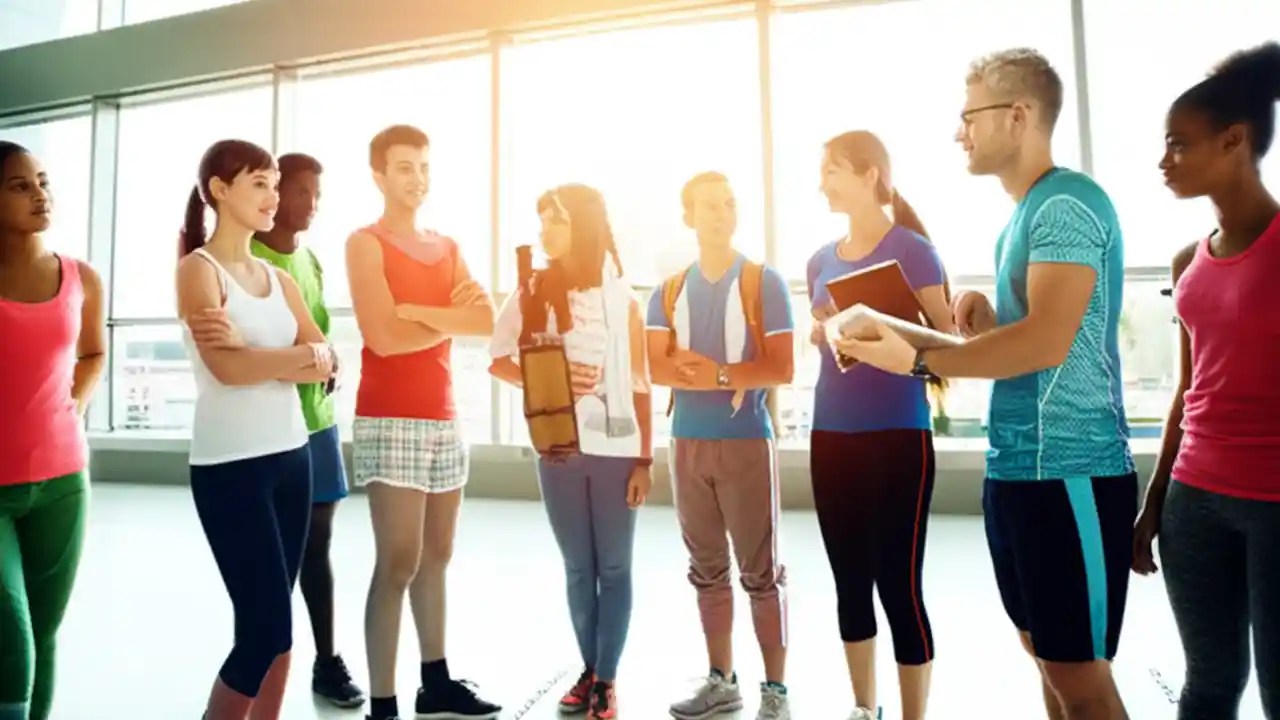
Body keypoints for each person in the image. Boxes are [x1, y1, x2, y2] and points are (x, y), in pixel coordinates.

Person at [837, 49, 1136, 720]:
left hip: (1071, 472)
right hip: (1019, 473)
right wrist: (969, 322)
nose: (959, 132)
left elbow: (1045, 342)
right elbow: (1042, 341)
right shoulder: (1024, 217)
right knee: (1051, 664)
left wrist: (918, 360)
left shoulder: (1066, 204)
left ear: (1018, 116)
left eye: (970, 116)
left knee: (1081, 680)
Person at [1133, 42, 1280, 719]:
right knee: (1209, 684)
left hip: (1274, 502)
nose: (1165, 161)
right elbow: (1190, 390)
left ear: (1234, 140)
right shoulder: (1187, 261)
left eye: (1178, 144)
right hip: (1195, 500)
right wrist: (1155, 499)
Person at [175, 139, 336, 720]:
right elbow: (228, 370)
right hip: (230, 468)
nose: (273, 195)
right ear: (220, 190)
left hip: (293, 457)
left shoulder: (278, 278)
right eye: (259, 184)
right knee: (263, 626)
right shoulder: (199, 271)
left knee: (279, 626)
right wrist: (294, 359)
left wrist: (256, 352)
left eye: (274, 183)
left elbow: (326, 362)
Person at [346, 124, 499, 720]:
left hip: (443, 417)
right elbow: (383, 336)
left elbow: (485, 320)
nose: (417, 178)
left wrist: (416, 311)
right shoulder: (365, 243)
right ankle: (383, 706)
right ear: (379, 176)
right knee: (398, 562)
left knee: (437, 554)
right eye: (405, 167)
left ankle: (435, 684)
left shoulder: (448, 246)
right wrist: (445, 317)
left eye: (424, 167)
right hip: (390, 418)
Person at [490, 183, 653, 720]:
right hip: (557, 445)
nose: (545, 232)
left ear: (582, 225)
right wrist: (551, 385)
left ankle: (607, 679)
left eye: (555, 220)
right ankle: (590, 670)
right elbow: (498, 358)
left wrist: (645, 460)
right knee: (579, 568)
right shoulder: (532, 291)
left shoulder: (622, 299)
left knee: (615, 567)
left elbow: (641, 384)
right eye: (541, 221)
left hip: (617, 448)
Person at [805, 133, 953, 720]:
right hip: (831, 434)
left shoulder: (914, 252)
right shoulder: (819, 261)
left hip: (899, 435)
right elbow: (824, 331)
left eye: (833, 170)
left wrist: (889, 333)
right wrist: (823, 331)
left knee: (899, 585)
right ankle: (864, 709)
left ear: (870, 175)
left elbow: (949, 345)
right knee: (850, 582)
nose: (823, 182)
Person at [645, 172, 794, 720]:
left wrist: (716, 374)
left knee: (761, 572)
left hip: (746, 443)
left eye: (729, 203)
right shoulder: (668, 291)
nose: (721, 213)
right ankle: (721, 681)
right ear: (689, 216)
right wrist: (723, 373)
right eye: (709, 205)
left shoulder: (763, 282)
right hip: (687, 443)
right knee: (706, 568)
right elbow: (656, 366)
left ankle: (775, 691)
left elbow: (781, 367)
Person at [250, 152, 364, 708]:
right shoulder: (249, 262)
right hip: (270, 429)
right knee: (270, 562)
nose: (311, 203)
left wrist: (329, 360)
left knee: (319, 547)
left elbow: (317, 332)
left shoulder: (311, 260)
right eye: (300, 191)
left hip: (318, 426)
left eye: (316, 193)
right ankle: (252, 672)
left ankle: (327, 662)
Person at [0, 141, 105, 720]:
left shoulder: (80, 277)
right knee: (10, 634)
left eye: (42, 181)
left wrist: (75, 405)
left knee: (44, 630)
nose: (39, 194)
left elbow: (93, 353)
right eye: (20, 185)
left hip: (64, 482)